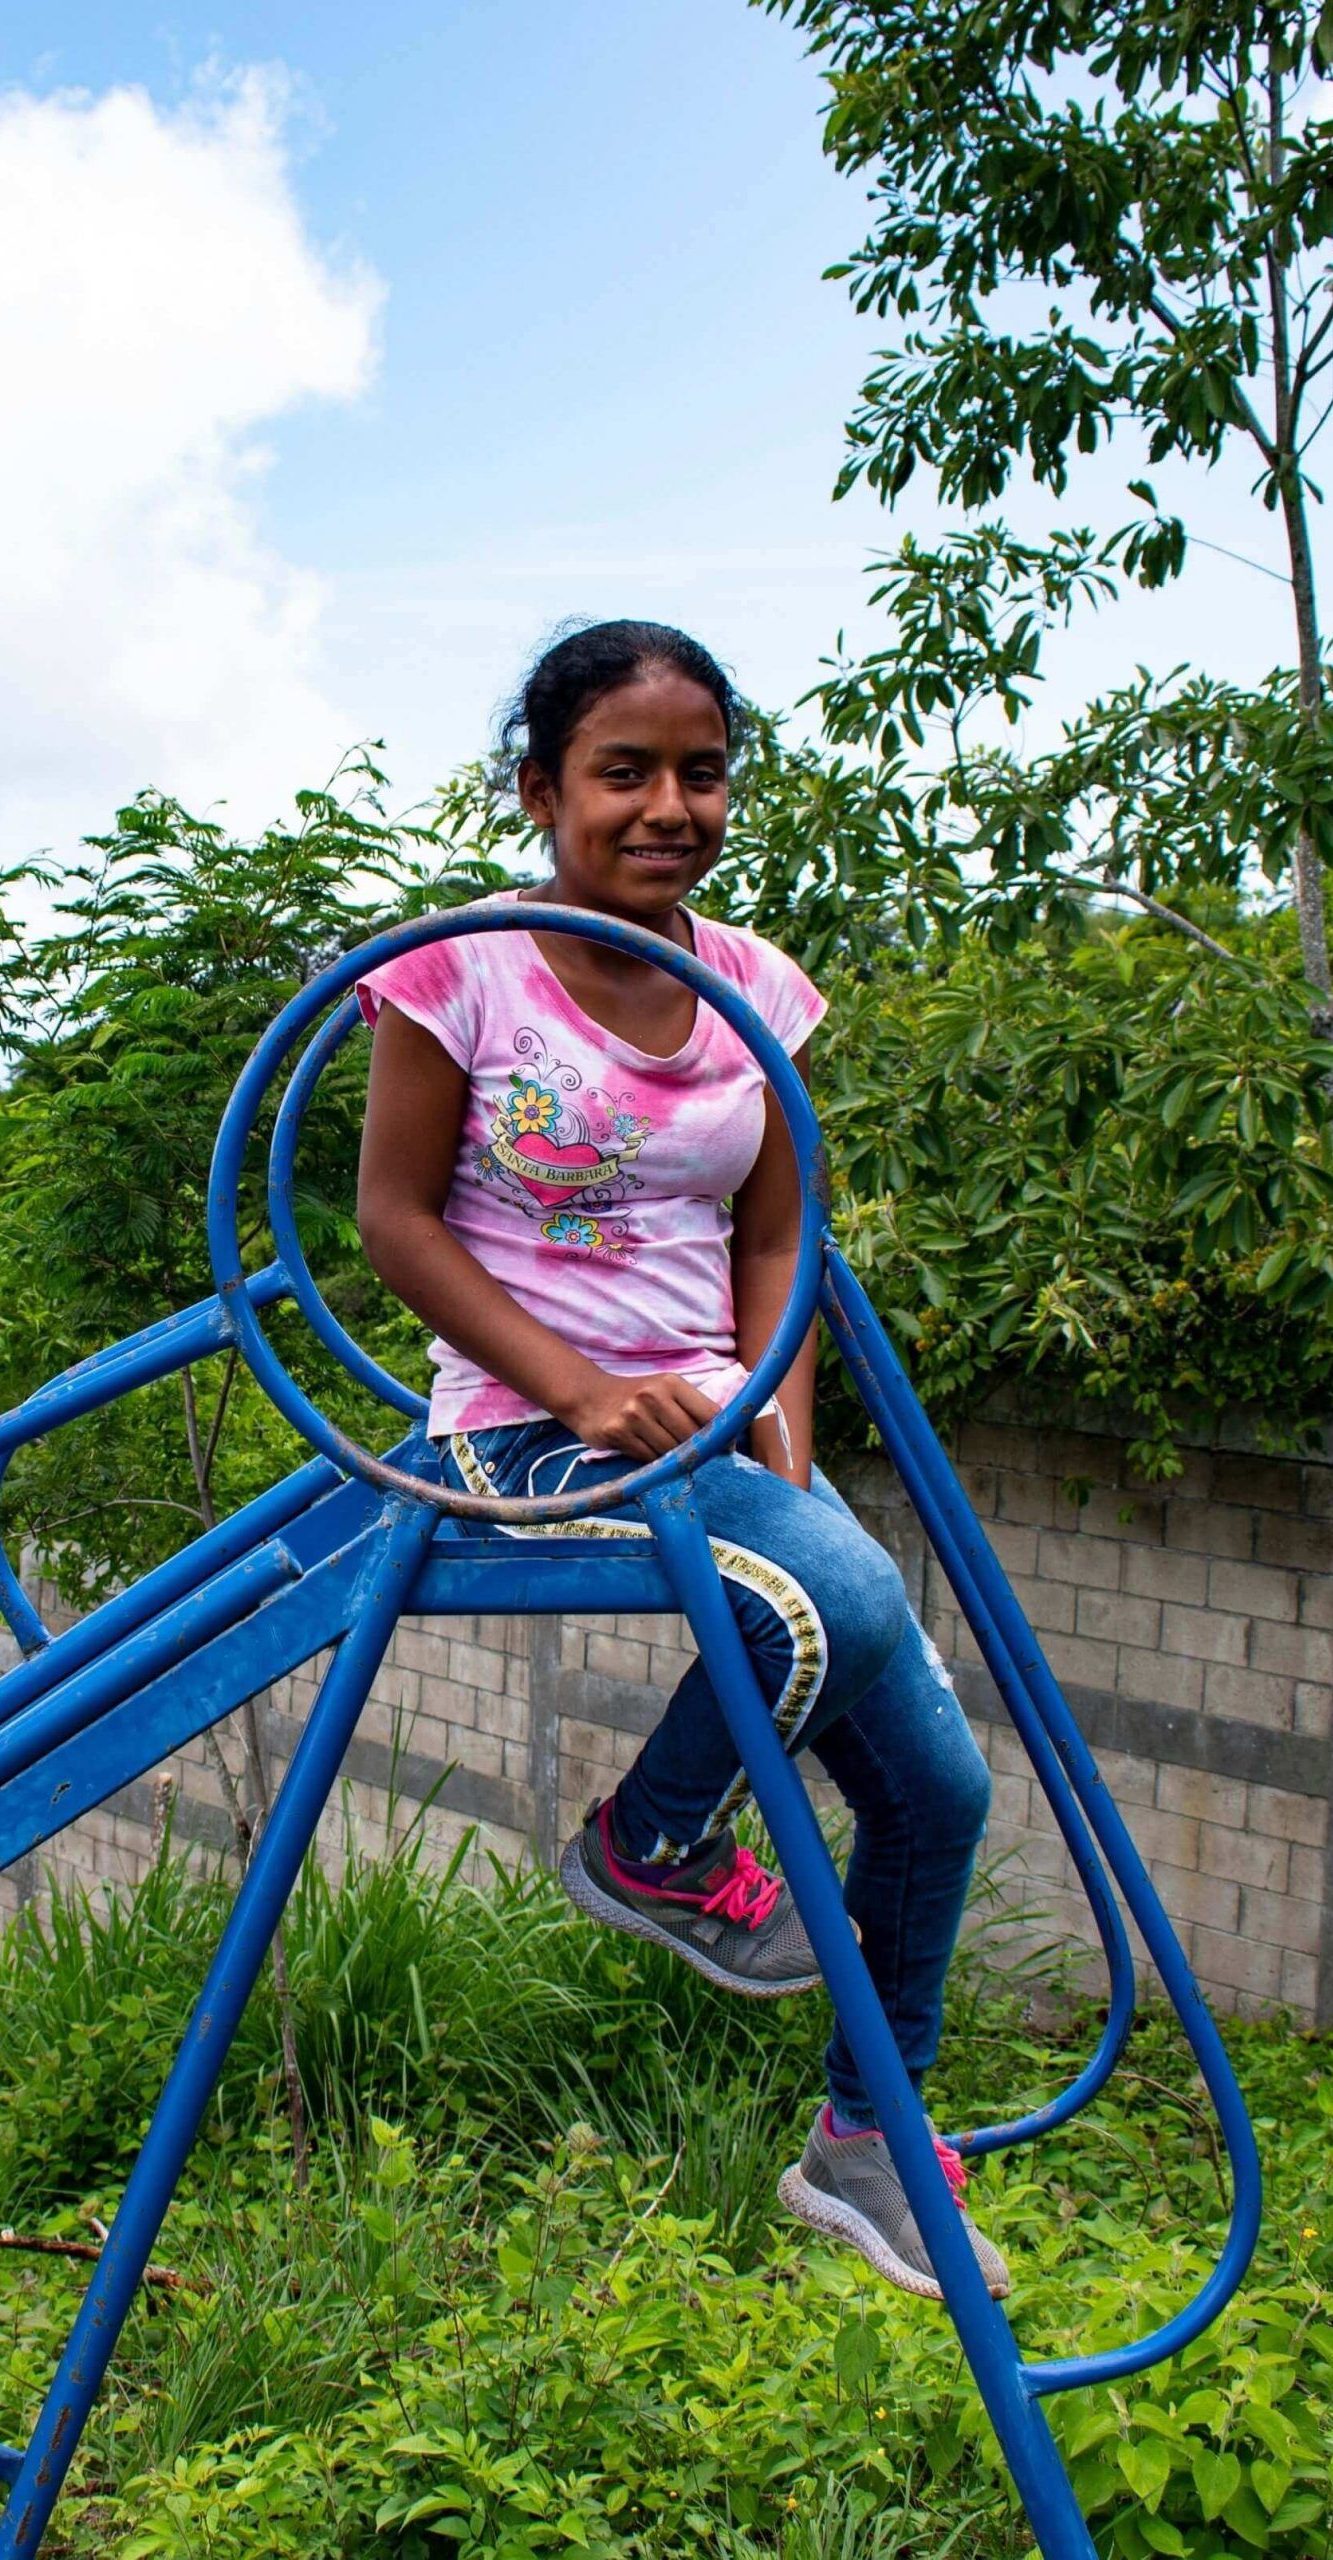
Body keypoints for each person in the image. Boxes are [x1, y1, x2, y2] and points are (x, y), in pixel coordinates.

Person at [355, 619, 1003, 2302]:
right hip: (527, 1426)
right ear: (542, 789)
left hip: (721, 1412)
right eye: (622, 772)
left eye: (699, 772)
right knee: (831, 1601)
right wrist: (573, 1389)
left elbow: (776, 1230)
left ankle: (867, 2140)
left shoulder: (757, 988)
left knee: (941, 1793)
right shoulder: (461, 972)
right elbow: (393, 1218)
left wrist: (774, 1384)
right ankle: (651, 1843)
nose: (668, 806)